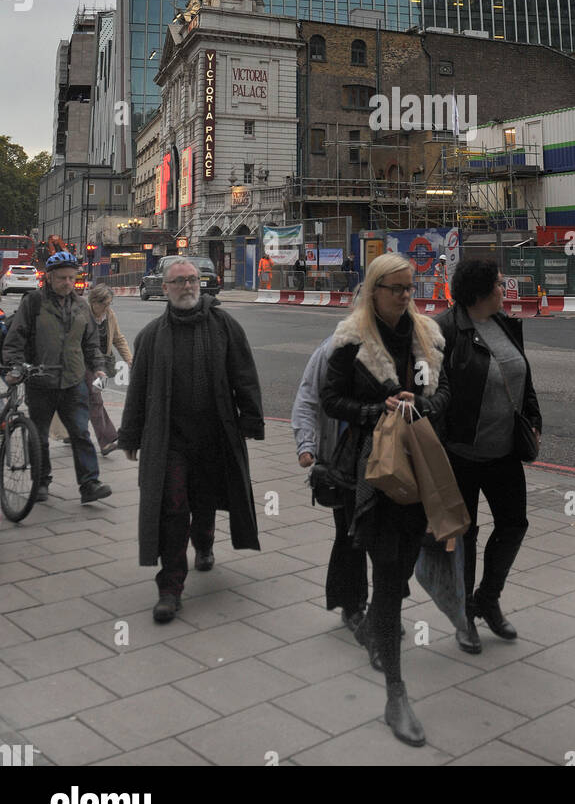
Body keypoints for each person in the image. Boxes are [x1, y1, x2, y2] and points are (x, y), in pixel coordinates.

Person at [320, 252, 450, 747]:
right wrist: (380, 407)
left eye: (409, 287)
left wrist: (422, 404)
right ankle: (395, 690)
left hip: (420, 467)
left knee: (405, 559)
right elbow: (332, 400)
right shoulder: (351, 341)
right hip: (370, 471)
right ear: (374, 290)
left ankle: (378, 626)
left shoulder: (428, 337)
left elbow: (446, 395)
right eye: (395, 288)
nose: (405, 296)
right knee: (387, 565)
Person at [118, 257, 265, 623]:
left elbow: (244, 375)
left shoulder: (224, 326)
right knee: (172, 507)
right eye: (179, 281)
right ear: (164, 289)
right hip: (170, 441)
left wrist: (251, 419)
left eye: (192, 280)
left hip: (215, 436)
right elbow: (137, 391)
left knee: (205, 499)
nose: (187, 286)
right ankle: (169, 588)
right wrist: (131, 435)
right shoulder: (151, 336)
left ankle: (205, 543)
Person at [437, 257, 541, 655]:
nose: (505, 289)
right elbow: (433, 392)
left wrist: (534, 419)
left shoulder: (506, 324)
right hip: (460, 454)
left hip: (503, 453)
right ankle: (464, 615)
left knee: (514, 524)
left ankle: (487, 598)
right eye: (499, 284)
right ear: (479, 293)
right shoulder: (446, 330)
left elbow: (524, 379)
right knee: (463, 536)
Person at [2, 250, 111, 505]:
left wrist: (98, 367)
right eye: (62, 278)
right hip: (41, 381)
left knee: (80, 433)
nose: (68, 283)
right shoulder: (34, 303)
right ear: (49, 277)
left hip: (73, 381)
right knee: (39, 435)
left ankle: (89, 484)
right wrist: (16, 367)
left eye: (72, 278)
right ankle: (41, 482)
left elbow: (91, 343)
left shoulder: (81, 305)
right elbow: (15, 339)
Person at [292, 336, 368, 633]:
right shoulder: (333, 349)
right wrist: (306, 445)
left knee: (385, 537)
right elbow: (307, 398)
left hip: (390, 460)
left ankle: (384, 603)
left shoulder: (402, 344)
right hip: (344, 458)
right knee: (351, 532)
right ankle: (353, 605)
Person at [82, 284, 132, 456]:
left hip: (102, 364)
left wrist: (129, 359)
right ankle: (106, 441)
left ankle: (69, 431)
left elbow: (118, 338)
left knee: (91, 399)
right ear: (94, 301)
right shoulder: (83, 315)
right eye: (104, 304)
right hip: (84, 363)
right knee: (95, 399)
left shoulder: (109, 315)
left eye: (109, 304)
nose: (107, 307)